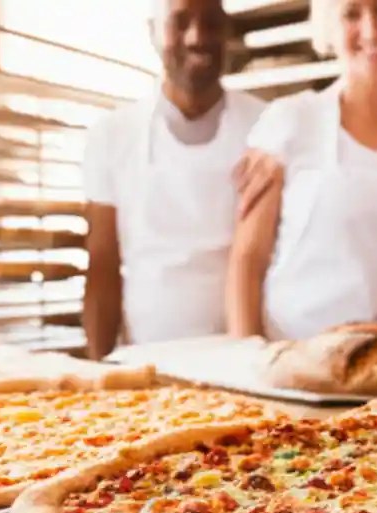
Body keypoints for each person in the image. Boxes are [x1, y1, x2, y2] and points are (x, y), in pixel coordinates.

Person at [224, 0, 377, 340]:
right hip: (285, 356)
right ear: (328, 25)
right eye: (351, 14)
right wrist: (244, 357)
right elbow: (247, 260)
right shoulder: (290, 120)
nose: (370, 30)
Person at [82, 0, 276, 359]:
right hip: (146, 357)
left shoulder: (269, 127)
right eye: (179, 22)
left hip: (246, 355)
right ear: (152, 32)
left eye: (211, 23)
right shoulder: (111, 135)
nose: (196, 37)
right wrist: (98, 365)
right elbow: (103, 265)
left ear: (228, 32)